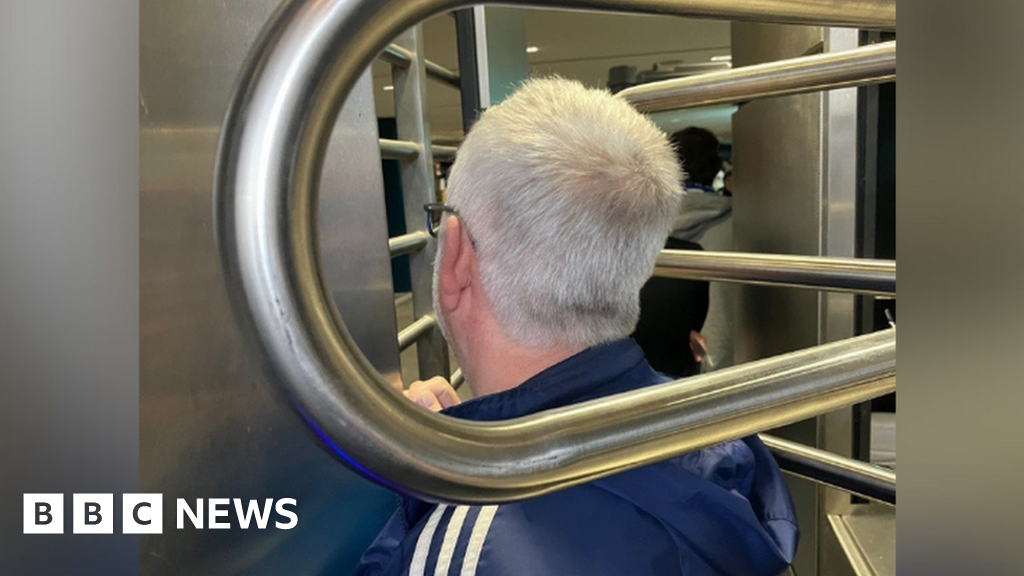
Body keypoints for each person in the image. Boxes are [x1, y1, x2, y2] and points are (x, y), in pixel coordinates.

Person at [357, 78, 796, 576]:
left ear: (456, 257)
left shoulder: (468, 546)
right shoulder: (721, 443)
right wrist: (472, 454)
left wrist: (422, 509)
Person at [668, 126, 736, 370]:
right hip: (727, 358)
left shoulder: (641, 227)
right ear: (716, 168)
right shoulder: (739, 224)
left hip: (654, 364)